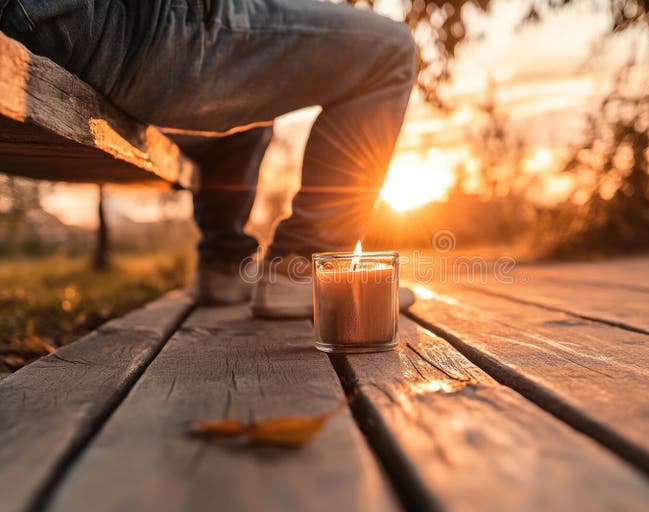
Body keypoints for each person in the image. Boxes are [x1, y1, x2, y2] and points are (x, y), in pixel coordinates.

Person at [0, 0, 416, 317]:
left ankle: (224, 264)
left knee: (249, 117)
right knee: (390, 52)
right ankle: (304, 266)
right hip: (105, 19)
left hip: (45, 18)